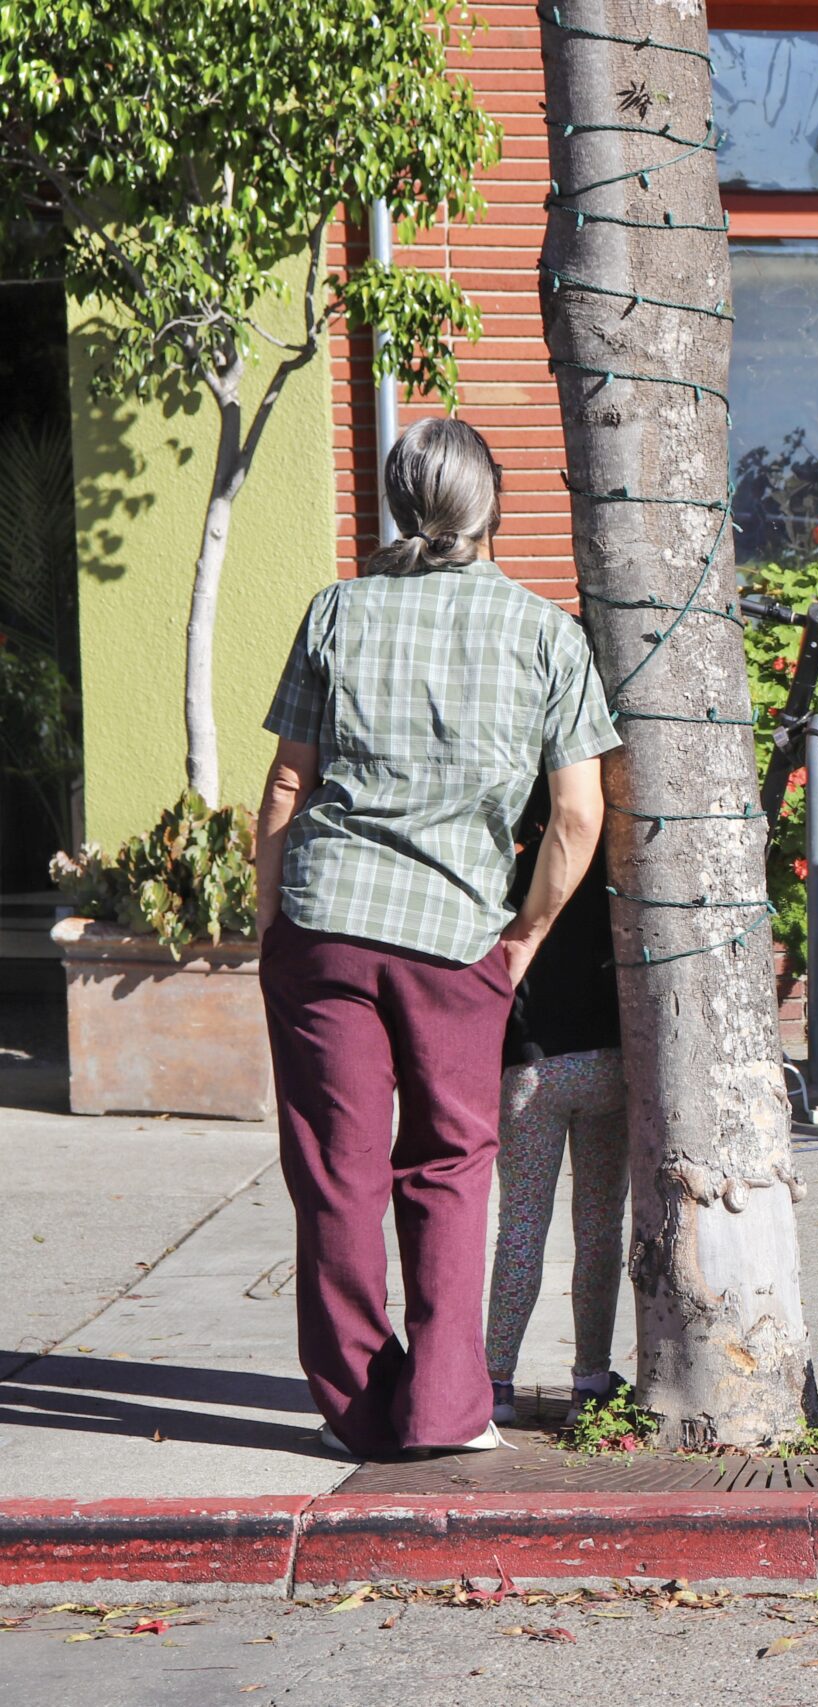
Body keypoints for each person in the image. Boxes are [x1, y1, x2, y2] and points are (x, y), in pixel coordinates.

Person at [254, 416, 619, 1459]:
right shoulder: (547, 635)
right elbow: (578, 816)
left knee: (336, 1173)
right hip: (458, 936)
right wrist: (524, 939)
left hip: (326, 927)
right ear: (491, 506)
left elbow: (289, 782)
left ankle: (361, 1412)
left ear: (397, 504)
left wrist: (274, 921)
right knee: (452, 1166)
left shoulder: (338, 611)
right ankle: (447, 1408)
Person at [483, 774, 627, 1427]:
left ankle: (495, 1384)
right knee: (599, 1231)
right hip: (607, 1059)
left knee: (520, 1229)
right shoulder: (615, 833)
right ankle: (590, 1383)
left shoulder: (507, 837)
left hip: (530, 1067)